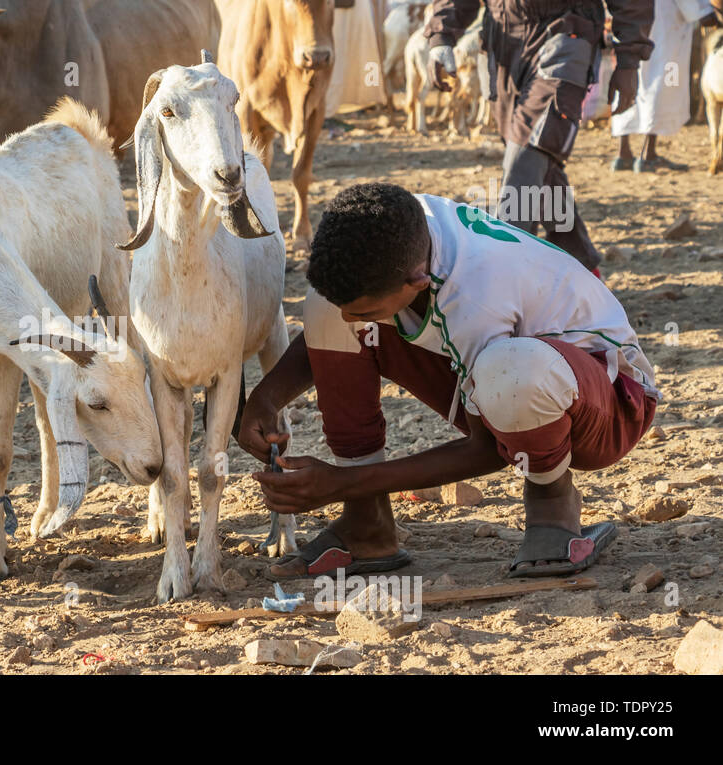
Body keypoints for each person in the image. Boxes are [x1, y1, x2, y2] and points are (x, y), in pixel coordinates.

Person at [239, 183, 660, 579]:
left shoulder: (474, 295)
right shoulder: (400, 232)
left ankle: (552, 500)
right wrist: (266, 398)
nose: (354, 322)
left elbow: (485, 450)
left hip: (609, 402)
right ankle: (367, 523)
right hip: (510, 370)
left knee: (511, 371)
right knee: (329, 304)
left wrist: (338, 484)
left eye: (366, 313)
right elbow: (341, 315)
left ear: (417, 282)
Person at [426, 0, 654, 272]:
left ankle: (503, 275)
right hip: (502, 43)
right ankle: (581, 265)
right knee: (538, 167)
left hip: (566, 34)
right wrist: (441, 35)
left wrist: (629, 59)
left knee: (529, 152)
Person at [612, 0, 714, 171]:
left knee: (631, 81)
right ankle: (648, 155)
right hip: (665, 34)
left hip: (631, 30)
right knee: (662, 86)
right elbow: (695, 10)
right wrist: (709, 14)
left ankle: (624, 154)